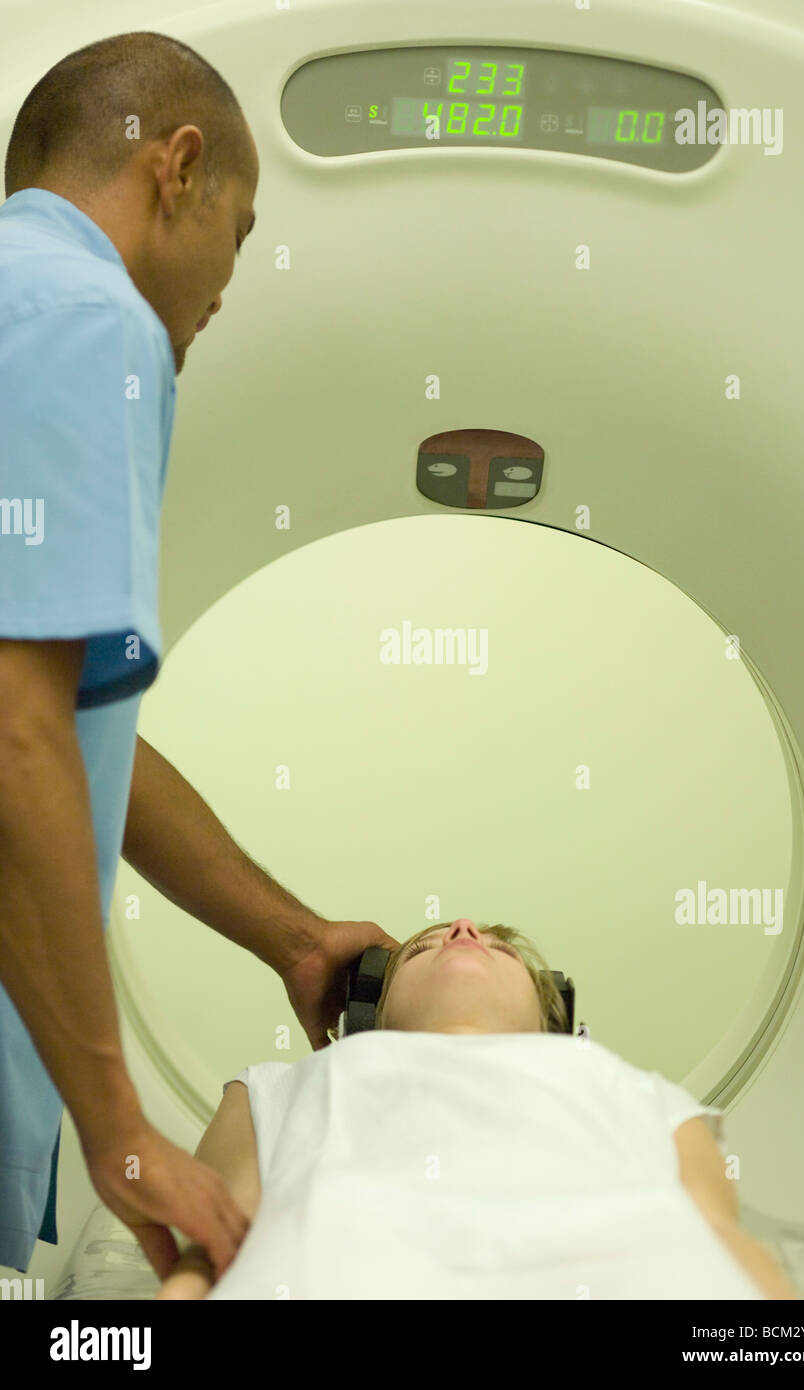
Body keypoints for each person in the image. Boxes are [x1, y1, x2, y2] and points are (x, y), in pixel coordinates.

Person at [0, 29, 398, 1283]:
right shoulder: (83, 318)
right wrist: (122, 1132)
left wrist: (287, 936)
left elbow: (55, 719)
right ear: (178, 165)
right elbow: (11, 734)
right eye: (242, 226)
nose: (230, 279)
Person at [154, 917, 801, 1300]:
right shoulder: (273, 1085)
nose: (463, 930)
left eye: (499, 945)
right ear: (366, 1012)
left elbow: (728, 1243)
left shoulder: (641, 1091)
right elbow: (206, 1256)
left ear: (552, 1018)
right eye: (423, 944)